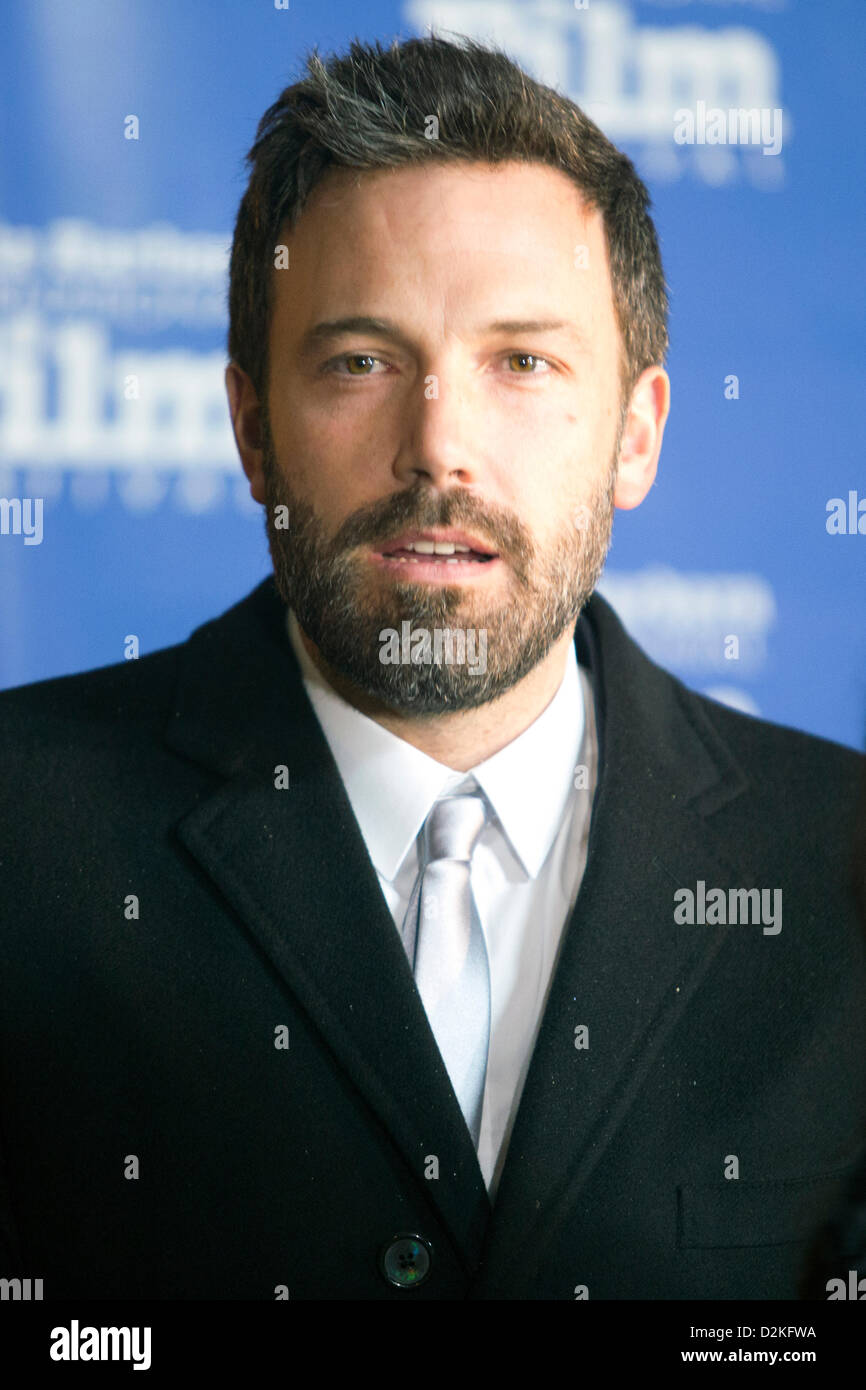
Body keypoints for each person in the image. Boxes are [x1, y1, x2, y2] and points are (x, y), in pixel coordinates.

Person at [1, 33, 864, 1302]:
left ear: (635, 434)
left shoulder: (839, 864)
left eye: (522, 362)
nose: (437, 447)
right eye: (361, 361)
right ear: (250, 429)